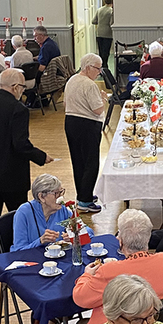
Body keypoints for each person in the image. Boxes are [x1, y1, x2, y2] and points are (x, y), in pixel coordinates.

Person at [0, 68, 53, 269]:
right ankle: (17, 252)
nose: (22, 91)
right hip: (10, 173)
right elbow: (20, 144)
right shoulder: (18, 109)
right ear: (15, 87)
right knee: (17, 213)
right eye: (22, 87)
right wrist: (42, 157)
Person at [74, 209, 163, 324]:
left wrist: (87, 275)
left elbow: (80, 298)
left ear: (120, 240)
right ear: (148, 238)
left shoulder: (109, 271)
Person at [11, 175, 80, 324]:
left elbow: (86, 231)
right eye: (56, 193)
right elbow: (17, 251)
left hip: (57, 264)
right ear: (41, 196)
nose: (60, 197)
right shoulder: (24, 213)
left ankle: (43, 321)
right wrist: (39, 241)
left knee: (77, 286)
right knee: (56, 293)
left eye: (61, 192)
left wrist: (73, 234)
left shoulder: (63, 211)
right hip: (31, 268)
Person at [64, 53, 108, 213]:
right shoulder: (89, 85)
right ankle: (85, 201)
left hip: (71, 122)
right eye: (98, 68)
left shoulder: (72, 80)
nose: (99, 72)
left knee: (78, 162)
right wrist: (103, 99)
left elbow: (65, 103)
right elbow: (97, 110)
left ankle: (83, 194)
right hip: (87, 125)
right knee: (91, 163)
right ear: (88, 67)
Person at [93, 0, 114, 66]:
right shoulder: (111, 11)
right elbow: (111, 23)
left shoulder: (99, 10)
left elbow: (93, 21)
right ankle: (105, 67)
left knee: (101, 53)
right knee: (106, 53)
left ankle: (100, 68)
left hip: (99, 33)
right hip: (108, 34)